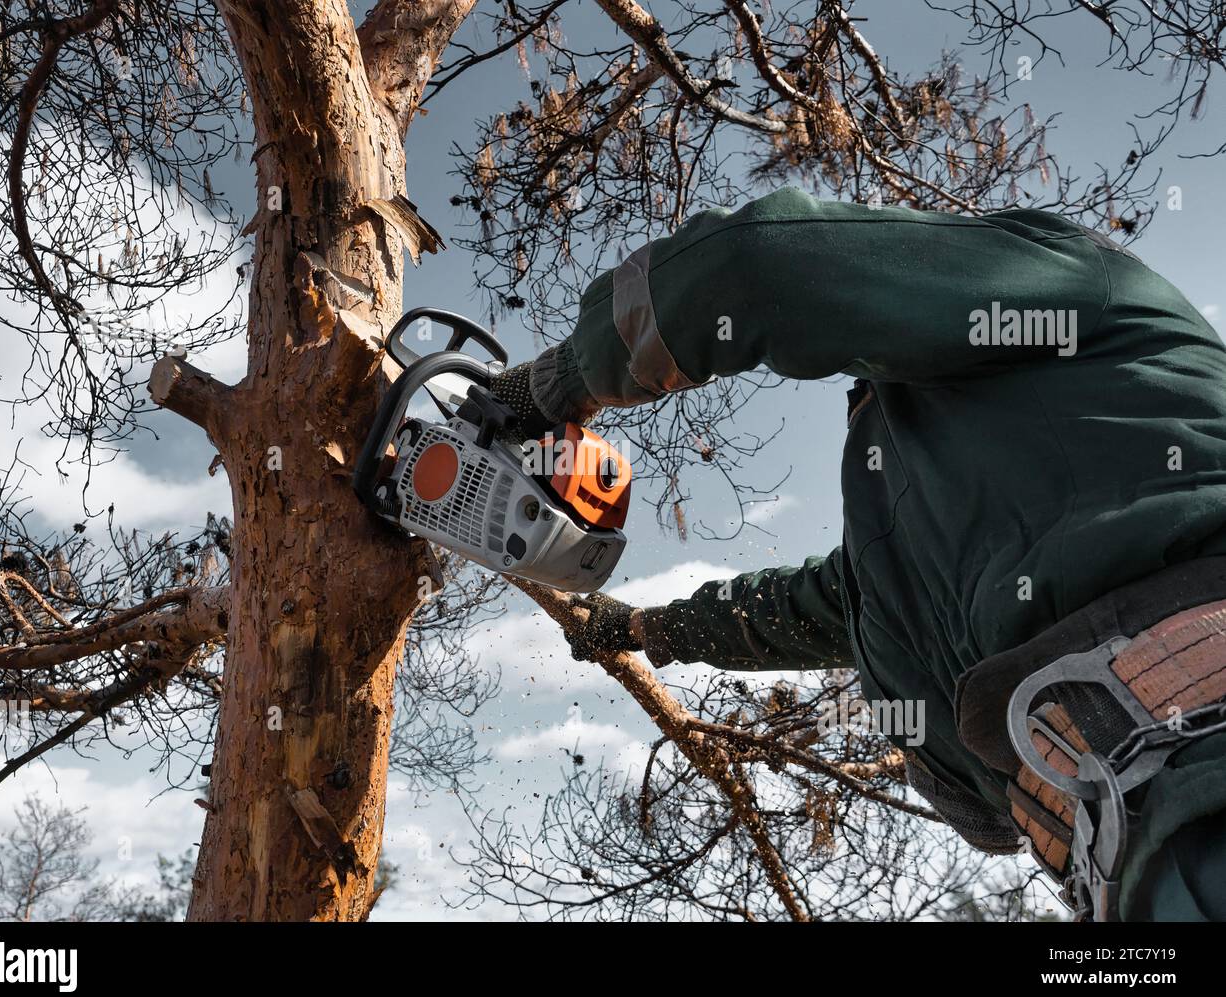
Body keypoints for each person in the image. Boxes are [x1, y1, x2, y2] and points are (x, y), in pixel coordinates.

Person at [487, 187, 1226, 921]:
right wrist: (647, 629)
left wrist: (559, 384)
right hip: (1127, 858)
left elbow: (760, 261)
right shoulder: (914, 540)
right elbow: (801, 612)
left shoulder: (1068, 290)